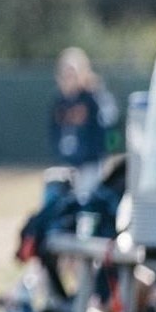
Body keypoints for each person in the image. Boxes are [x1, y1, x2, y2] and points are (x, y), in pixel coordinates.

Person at [48, 47, 109, 203]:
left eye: (72, 73)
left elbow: (103, 131)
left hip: (89, 163)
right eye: (65, 74)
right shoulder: (59, 102)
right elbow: (54, 131)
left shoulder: (91, 99)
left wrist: (89, 155)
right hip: (68, 162)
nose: (69, 78)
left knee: (85, 199)